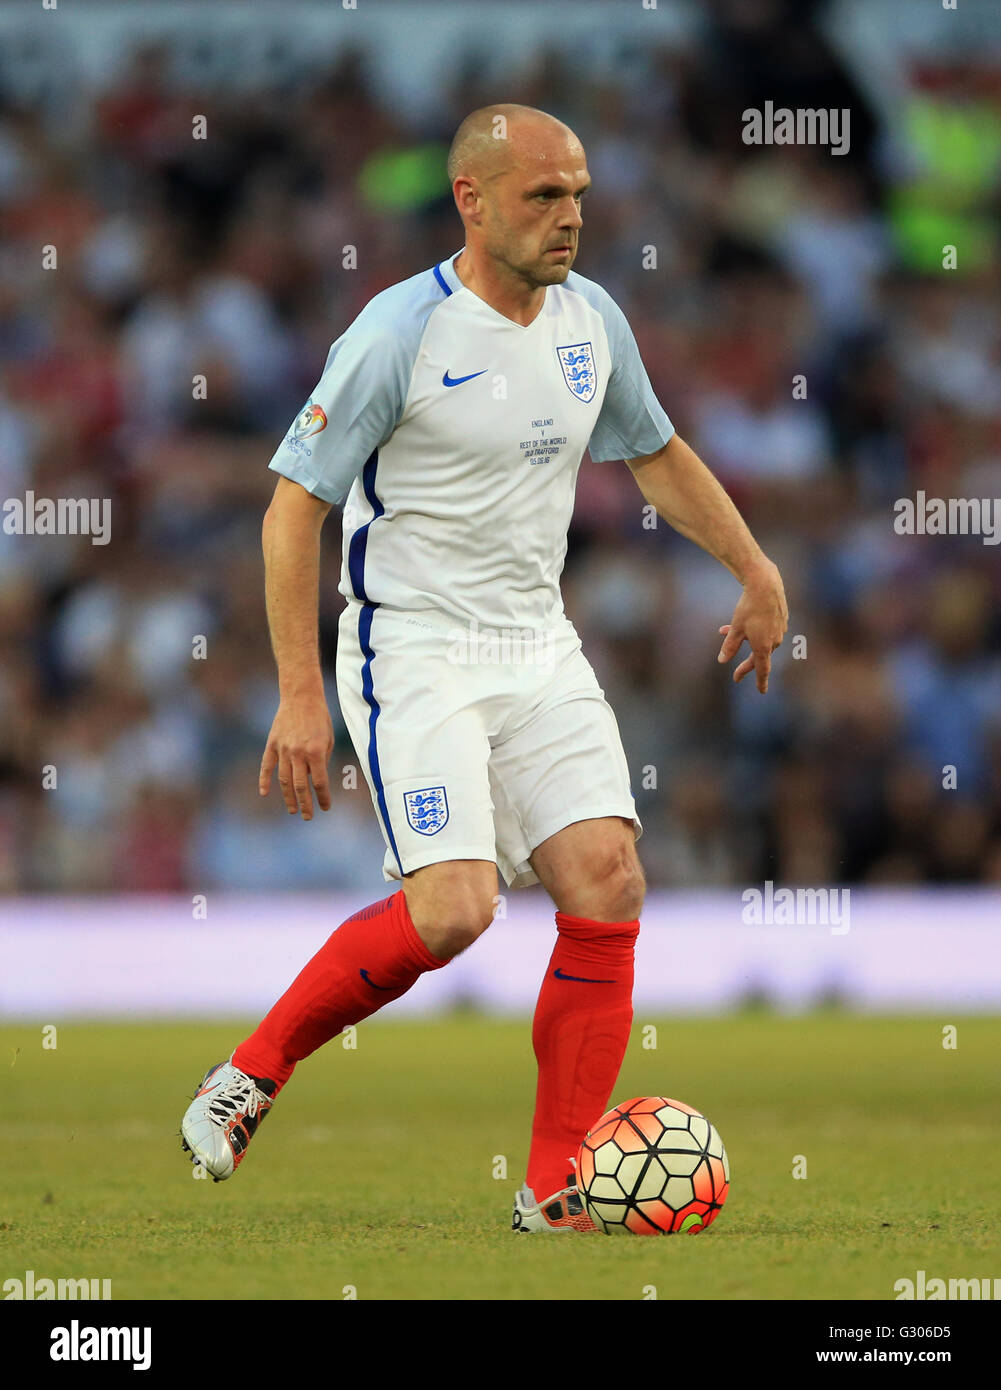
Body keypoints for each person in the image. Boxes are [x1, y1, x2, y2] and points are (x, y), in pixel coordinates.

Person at [180, 103, 788, 1232]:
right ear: (471, 198)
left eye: (579, 195)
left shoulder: (590, 319)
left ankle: (553, 1184)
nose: (568, 218)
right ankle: (253, 1071)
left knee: (606, 877)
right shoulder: (395, 332)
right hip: (408, 642)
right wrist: (301, 692)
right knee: (454, 911)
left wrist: (751, 568)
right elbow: (289, 509)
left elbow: (653, 453)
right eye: (542, 196)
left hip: (535, 640)